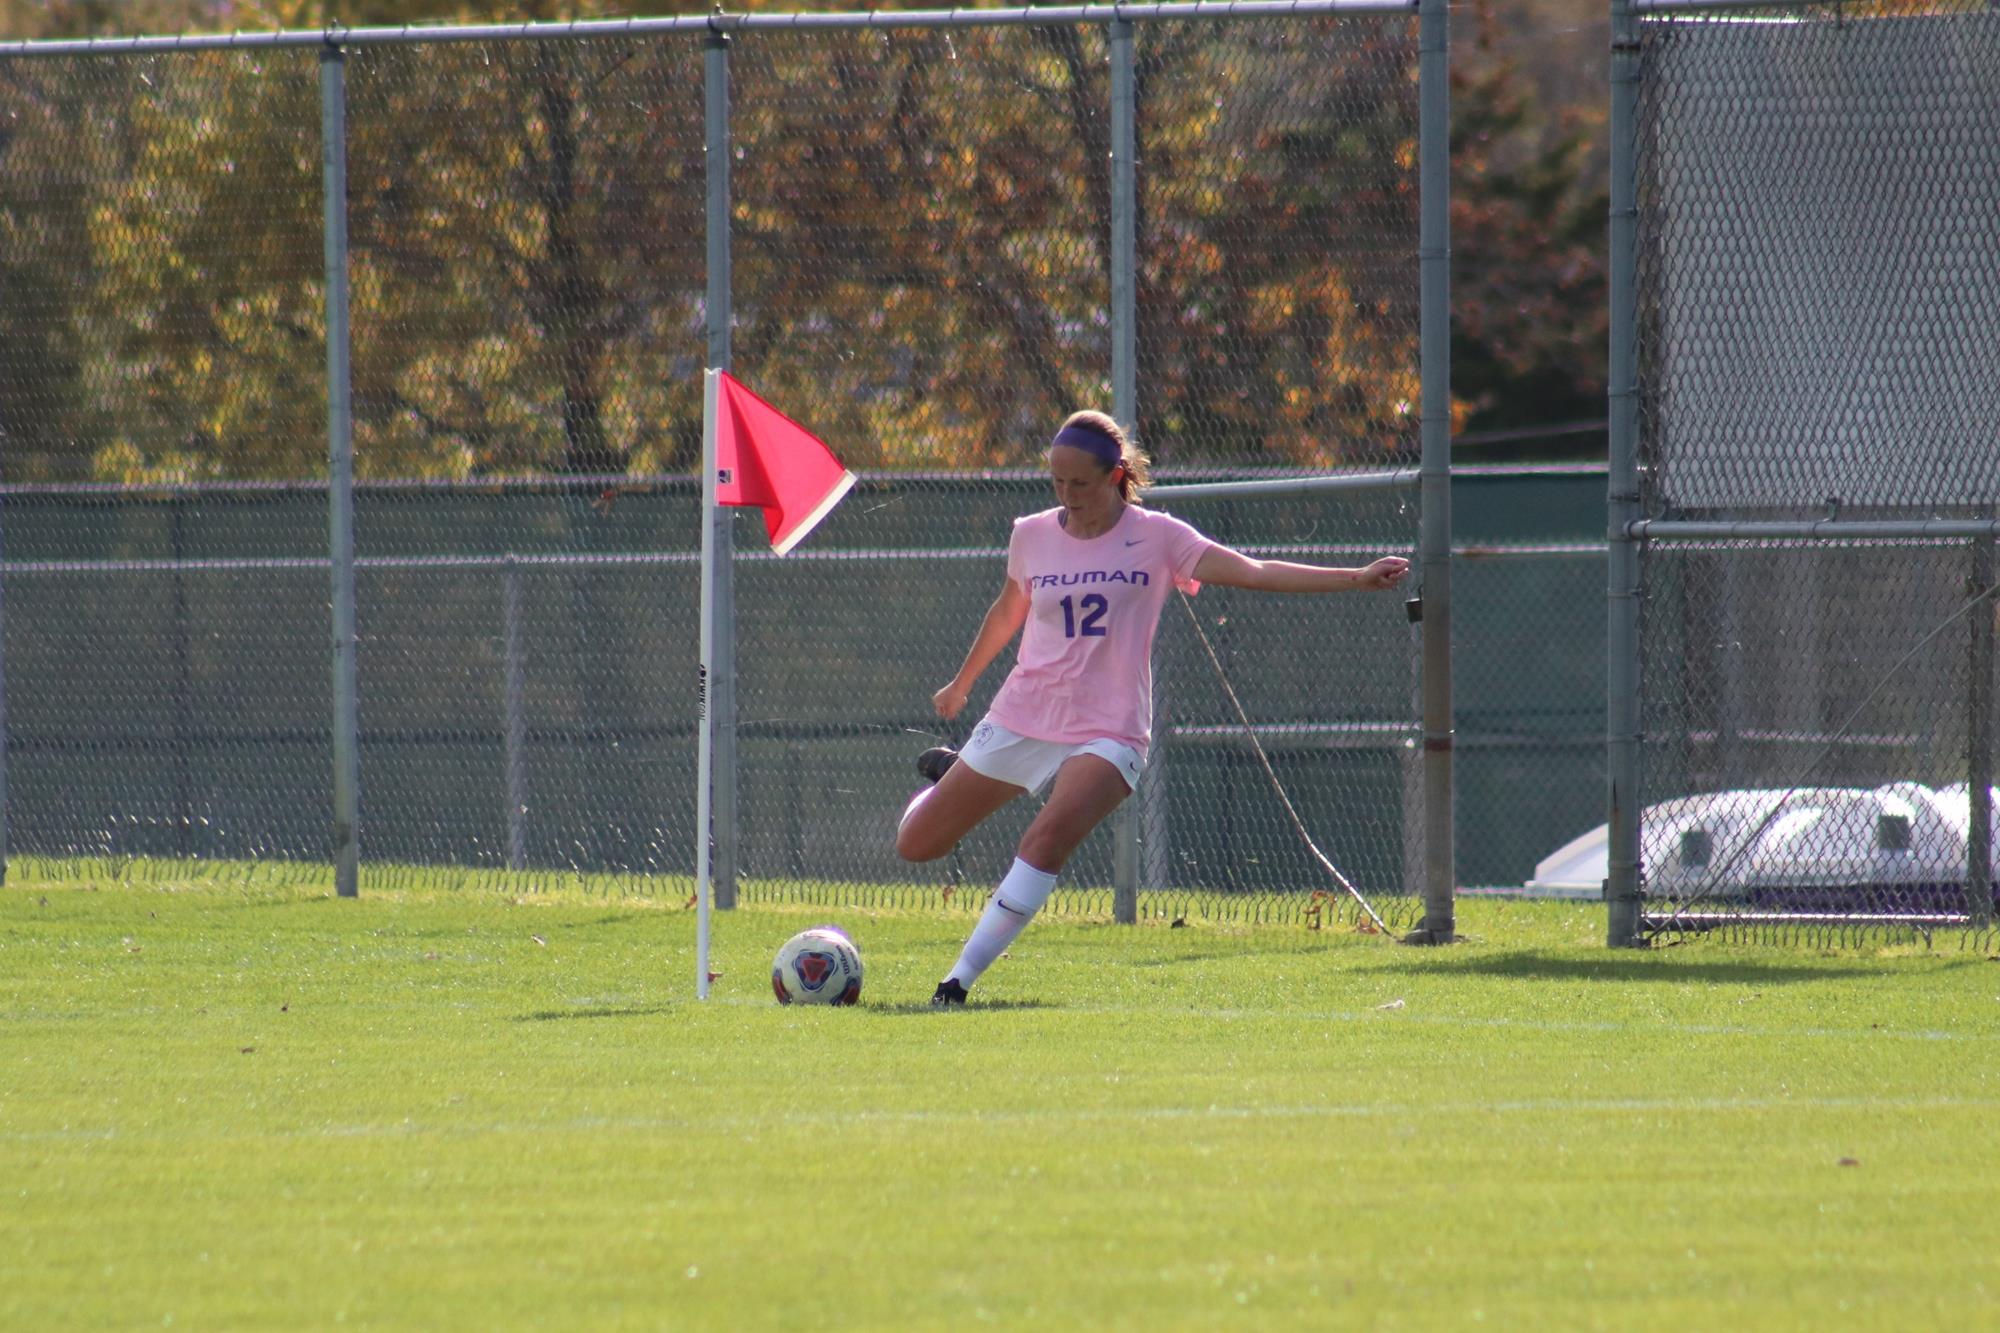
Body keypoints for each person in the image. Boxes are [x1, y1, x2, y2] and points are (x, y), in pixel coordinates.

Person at [896, 410, 1411, 1006]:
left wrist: (1355, 576)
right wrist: (962, 684)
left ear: (1116, 476)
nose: (1067, 495)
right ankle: (946, 778)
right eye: (1057, 482)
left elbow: (1255, 570)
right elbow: (1009, 609)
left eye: (1080, 483)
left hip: (1111, 727)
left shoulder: (1160, 536)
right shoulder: (1031, 533)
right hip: (1025, 711)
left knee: (1047, 836)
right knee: (918, 845)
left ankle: (956, 982)